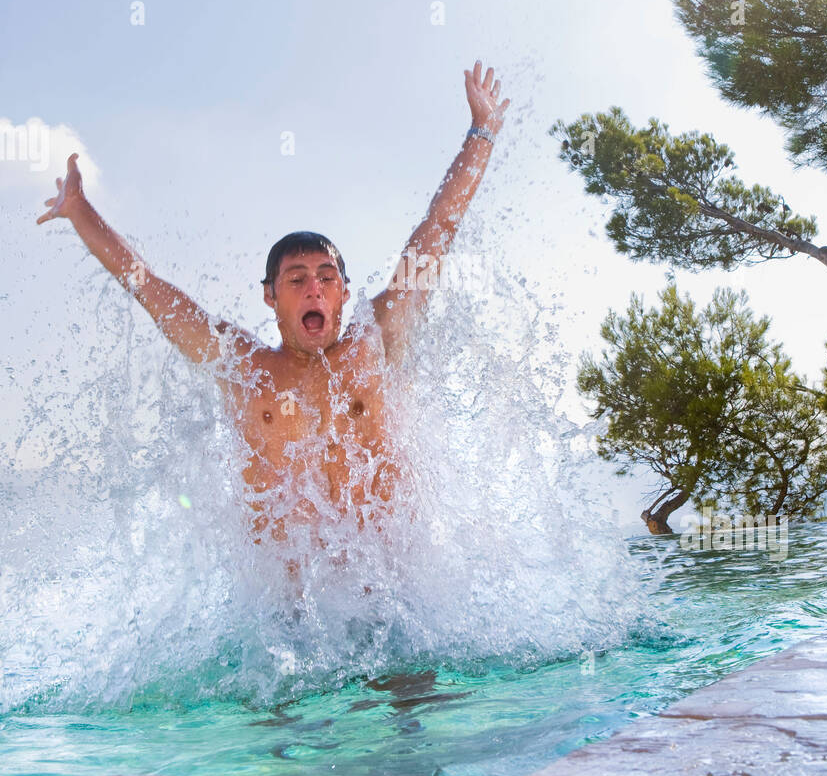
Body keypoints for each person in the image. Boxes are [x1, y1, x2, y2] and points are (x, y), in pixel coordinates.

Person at [38, 61, 509, 546]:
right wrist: (79, 211)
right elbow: (150, 288)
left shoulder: (376, 341)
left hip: (392, 602)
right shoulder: (245, 368)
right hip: (285, 617)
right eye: (297, 279)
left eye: (327, 278)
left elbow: (438, 229)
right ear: (270, 295)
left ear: (344, 293)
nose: (314, 290)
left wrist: (482, 132)